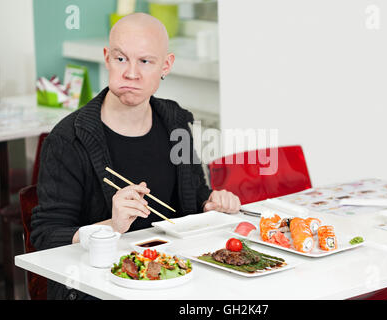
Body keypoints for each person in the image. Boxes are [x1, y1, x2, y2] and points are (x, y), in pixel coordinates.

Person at [30, 13, 241, 300]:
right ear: (106, 58)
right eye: (121, 59)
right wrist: (110, 226)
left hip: (174, 275)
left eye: (145, 61)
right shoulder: (68, 138)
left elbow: (196, 195)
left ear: (166, 65)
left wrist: (212, 204)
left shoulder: (175, 121)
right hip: (98, 284)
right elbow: (45, 237)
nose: (131, 73)